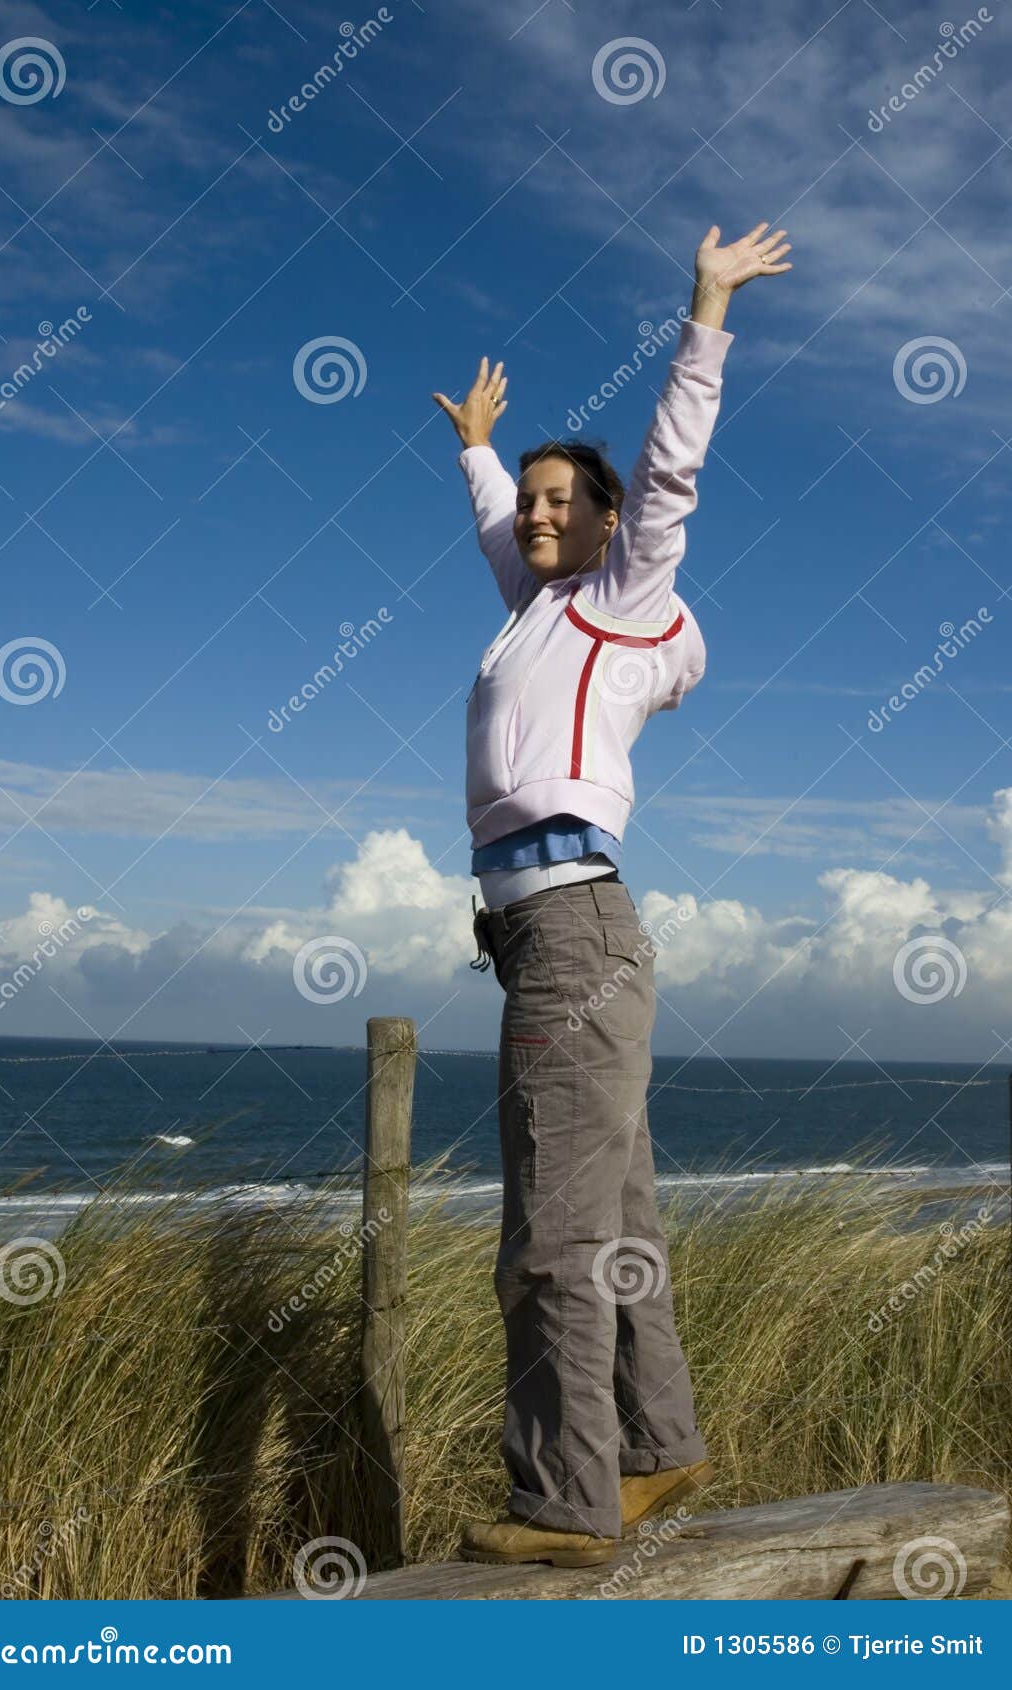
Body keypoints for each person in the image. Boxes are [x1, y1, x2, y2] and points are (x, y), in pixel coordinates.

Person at [432, 222, 793, 1568]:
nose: (534, 513)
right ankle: (656, 1450)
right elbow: (492, 515)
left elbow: (674, 473)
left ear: (603, 521)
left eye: (557, 500)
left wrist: (704, 310)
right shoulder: (528, 603)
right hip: (556, 936)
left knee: (550, 1240)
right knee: (620, 1220)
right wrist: (479, 444)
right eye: (525, 502)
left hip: (570, 927)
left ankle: (563, 1507)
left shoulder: (619, 599)